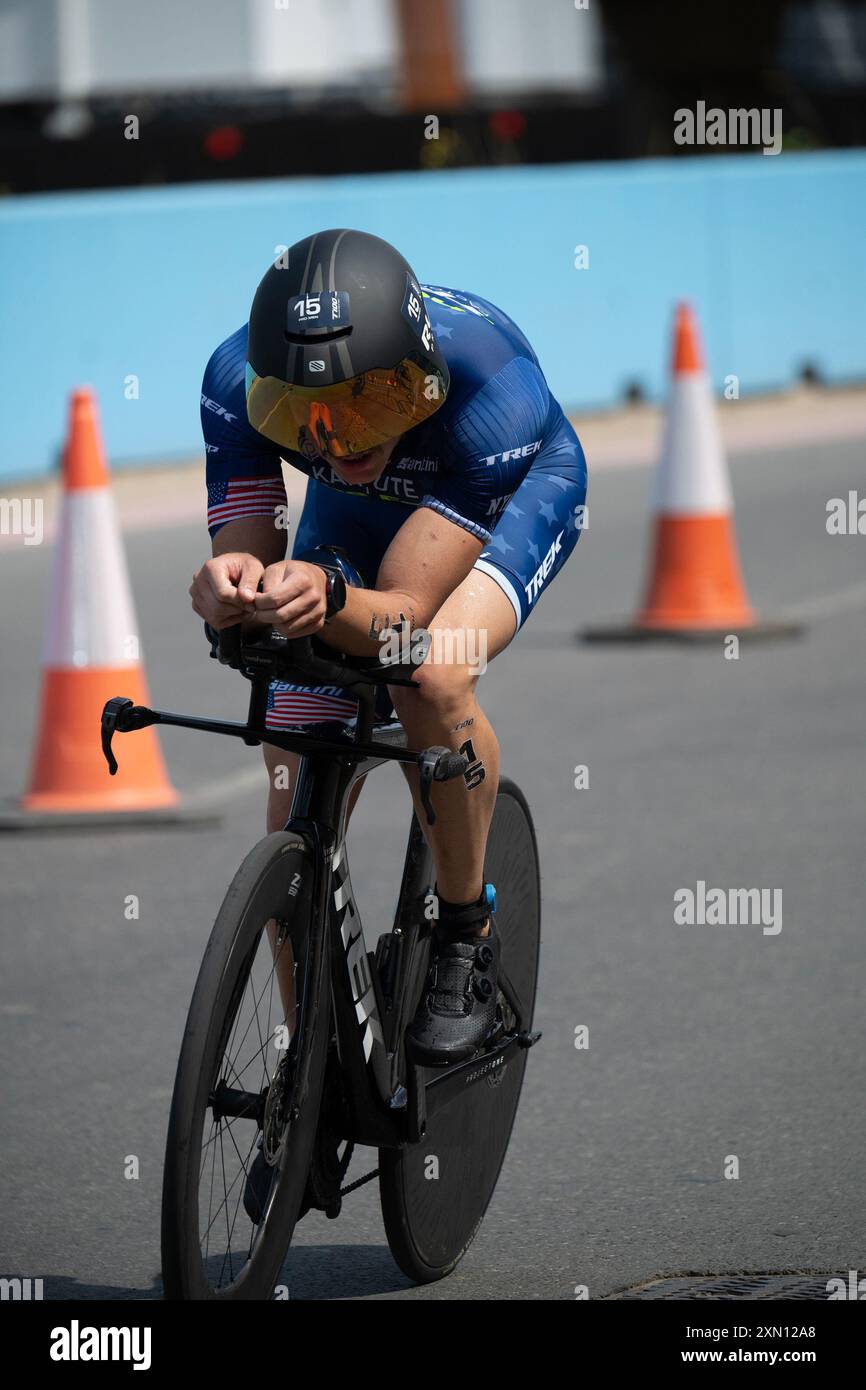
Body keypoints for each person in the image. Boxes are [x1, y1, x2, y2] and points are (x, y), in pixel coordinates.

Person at [190, 228, 587, 1067]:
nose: (337, 438)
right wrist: (230, 588)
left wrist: (328, 598)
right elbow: (255, 570)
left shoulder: (491, 392)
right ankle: (310, 1059)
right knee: (293, 750)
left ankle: (465, 935)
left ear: (420, 376)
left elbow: (404, 614)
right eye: (307, 413)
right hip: (361, 514)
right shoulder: (235, 383)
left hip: (507, 486)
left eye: (374, 404)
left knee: (428, 675)